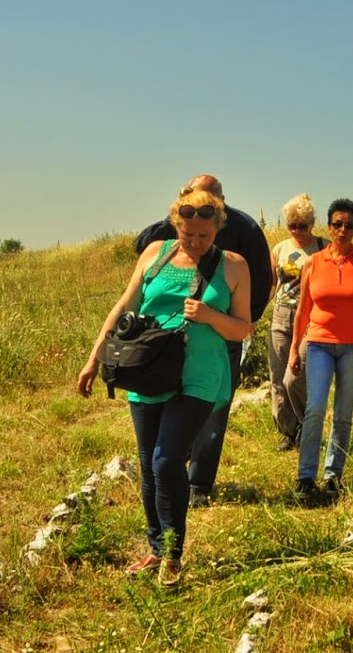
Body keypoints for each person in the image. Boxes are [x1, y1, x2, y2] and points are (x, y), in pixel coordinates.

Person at [78, 187, 252, 585]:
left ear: (218, 228)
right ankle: (155, 549)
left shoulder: (233, 265)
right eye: (187, 234)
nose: (194, 242)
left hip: (200, 374)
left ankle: (172, 555)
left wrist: (209, 315)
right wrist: (94, 357)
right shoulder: (154, 253)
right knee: (147, 466)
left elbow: (243, 328)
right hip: (149, 371)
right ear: (176, 224)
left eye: (203, 236)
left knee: (165, 459)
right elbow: (123, 307)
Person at [134, 174, 274, 507]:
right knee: (173, 400)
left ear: (221, 202)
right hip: (172, 339)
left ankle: (199, 482)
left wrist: (241, 321)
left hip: (223, 331)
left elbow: (262, 278)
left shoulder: (246, 228)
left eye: (209, 201)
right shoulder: (181, 223)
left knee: (215, 407)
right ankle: (172, 466)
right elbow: (143, 246)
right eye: (194, 198)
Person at [288, 198, 353, 505]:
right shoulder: (313, 262)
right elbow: (303, 309)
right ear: (328, 227)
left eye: (349, 225)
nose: (343, 230)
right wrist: (294, 349)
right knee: (315, 407)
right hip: (318, 343)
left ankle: (333, 475)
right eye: (337, 224)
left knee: (343, 412)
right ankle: (305, 476)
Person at [268, 194, 324, 451]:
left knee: (297, 376)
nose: (298, 231)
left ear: (312, 223)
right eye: (293, 225)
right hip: (281, 314)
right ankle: (288, 431)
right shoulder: (280, 249)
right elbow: (272, 283)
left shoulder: (323, 248)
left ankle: (307, 424)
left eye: (303, 225)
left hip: (312, 317)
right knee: (278, 376)